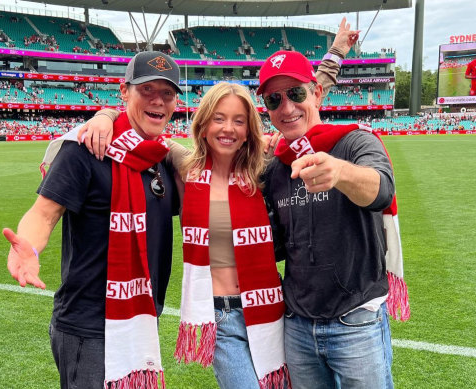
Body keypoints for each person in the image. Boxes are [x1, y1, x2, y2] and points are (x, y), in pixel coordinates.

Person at [2, 51, 184, 389]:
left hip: (142, 321)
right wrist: (28, 247)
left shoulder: (162, 158)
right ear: (124, 91)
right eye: (147, 90)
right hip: (89, 328)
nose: (158, 101)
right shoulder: (84, 150)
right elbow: (44, 213)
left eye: (167, 93)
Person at [257, 48, 409, 388]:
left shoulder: (356, 142)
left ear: (317, 93)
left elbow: (382, 189)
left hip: (356, 322)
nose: (286, 107)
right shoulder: (277, 165)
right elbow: (279, 247)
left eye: (296, 93)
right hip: (297, 325)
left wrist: (340, 173)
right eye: (274, 100)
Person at [173, 82, 289, 388]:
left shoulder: (261, 171)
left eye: (239, 121)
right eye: (219, 118)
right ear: (203, 124)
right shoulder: (184, 170)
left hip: (270, 306)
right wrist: (104, 115)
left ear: (250, 130)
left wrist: (335, 57)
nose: (229, 129)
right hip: (220, 316)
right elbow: (139, 133)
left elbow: (302, 108)